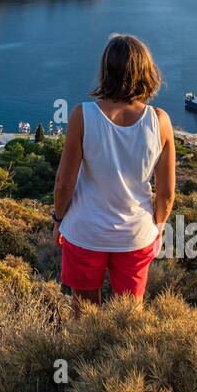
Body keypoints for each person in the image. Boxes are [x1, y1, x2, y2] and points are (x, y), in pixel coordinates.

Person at [51, 34, 175, 308]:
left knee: (84, 315)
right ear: (146, 71)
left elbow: (64, 183)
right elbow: (166, 193)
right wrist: (159, 226)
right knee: (129, 316)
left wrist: (58, 219)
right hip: (136, 234)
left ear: (106, 71)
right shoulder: (160, 121)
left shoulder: (83, 115)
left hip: (85, 232)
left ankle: (84, 353)